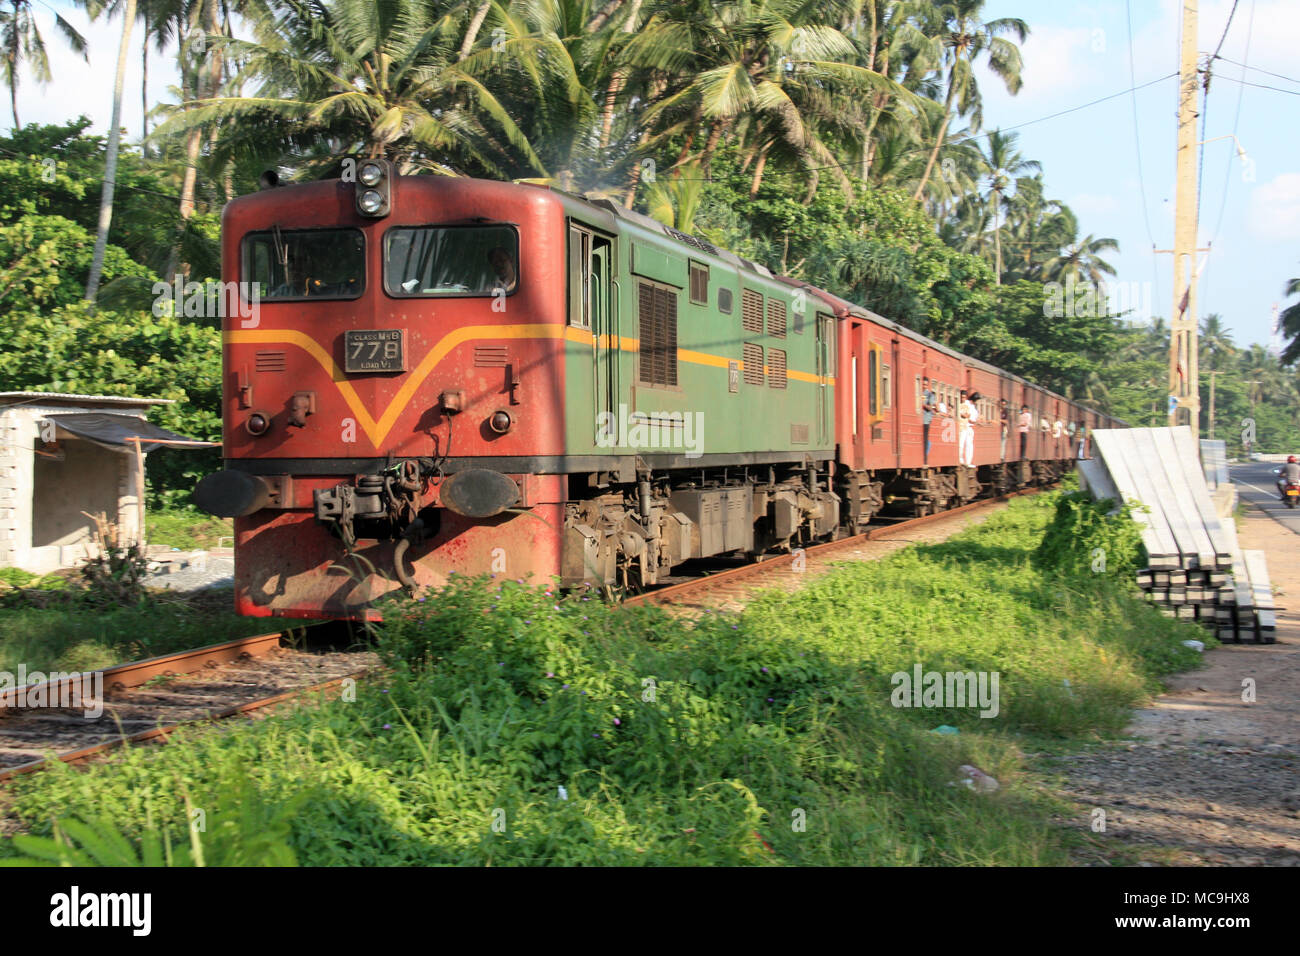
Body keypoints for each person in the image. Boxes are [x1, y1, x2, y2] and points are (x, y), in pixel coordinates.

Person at [959, 390, 979, 467]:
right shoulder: (966, 404)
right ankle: (961, 459)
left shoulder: (967, 405)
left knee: (969, 445)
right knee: (961, 444)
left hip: (968, 426)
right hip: (964, 425)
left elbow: (968, 415)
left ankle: (968, 462)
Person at [921, 376, 937, 463]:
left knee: (925, 439)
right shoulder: (918, 393)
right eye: (923, 384)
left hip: (926, 419)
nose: (924, 386)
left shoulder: (930, 395)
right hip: (919, 419)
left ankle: (925, 458)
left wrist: (923, 404)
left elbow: (931, 407)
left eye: (925, 385)